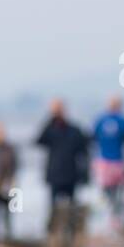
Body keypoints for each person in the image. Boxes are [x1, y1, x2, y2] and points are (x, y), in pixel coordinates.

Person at [34, 99, 89, 233]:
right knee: (52, 206)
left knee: (72, 206)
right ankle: (52, 232)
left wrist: (85, 175)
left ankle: (71, 231)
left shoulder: (74, 130)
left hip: (71, 174)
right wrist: (51, 118)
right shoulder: (51, 129)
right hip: (54, 174)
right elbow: (38, 141)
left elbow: (84, 152)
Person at [91, 95, 124, 221]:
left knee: (106, 192)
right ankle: (115, 218)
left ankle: (106, 217)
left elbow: (93, 138)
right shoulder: (123, 121)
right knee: (119, 193)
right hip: (118, 161)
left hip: (103, 161)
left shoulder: (100, 119)